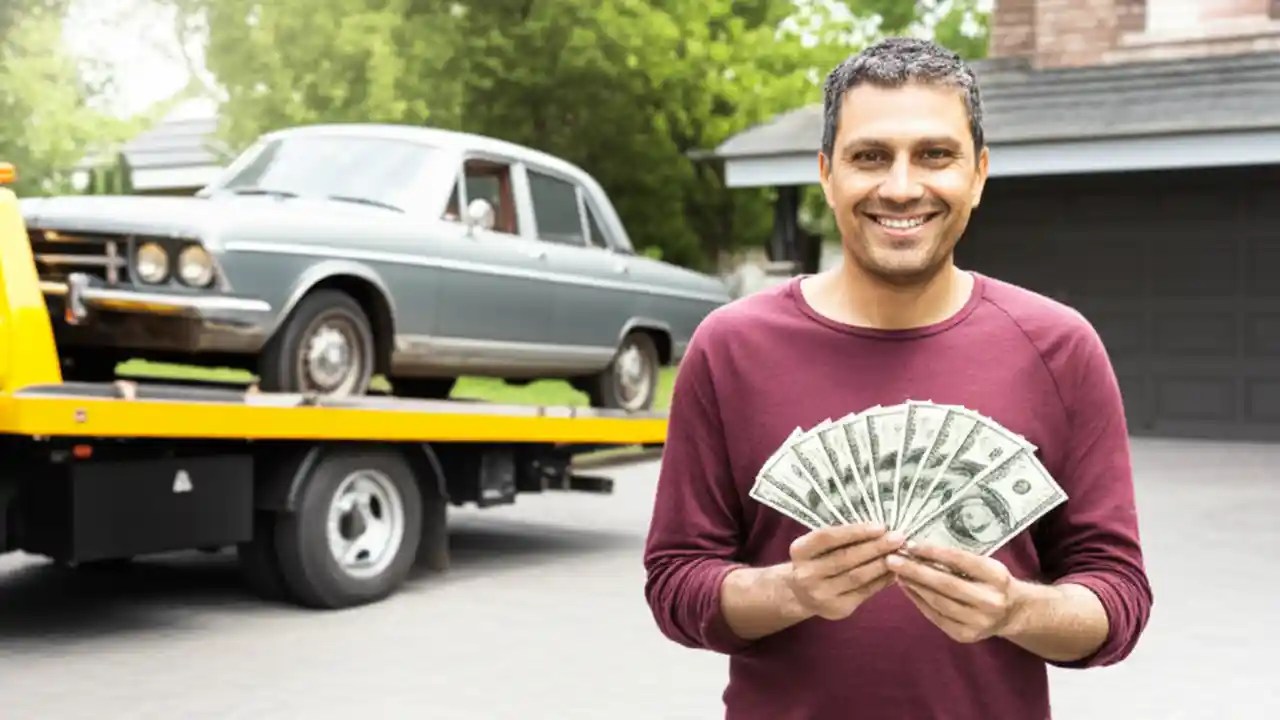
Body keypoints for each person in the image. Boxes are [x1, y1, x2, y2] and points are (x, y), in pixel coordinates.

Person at [642, 37, 1153, 719]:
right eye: (870, 156)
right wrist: (792, 591)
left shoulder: (1060, 348)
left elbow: (1118, 597)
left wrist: (1014, 609)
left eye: (935, 154)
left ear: (979, 173)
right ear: (827, 174)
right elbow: (676, 584)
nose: (902, 186)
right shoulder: (730, 346)